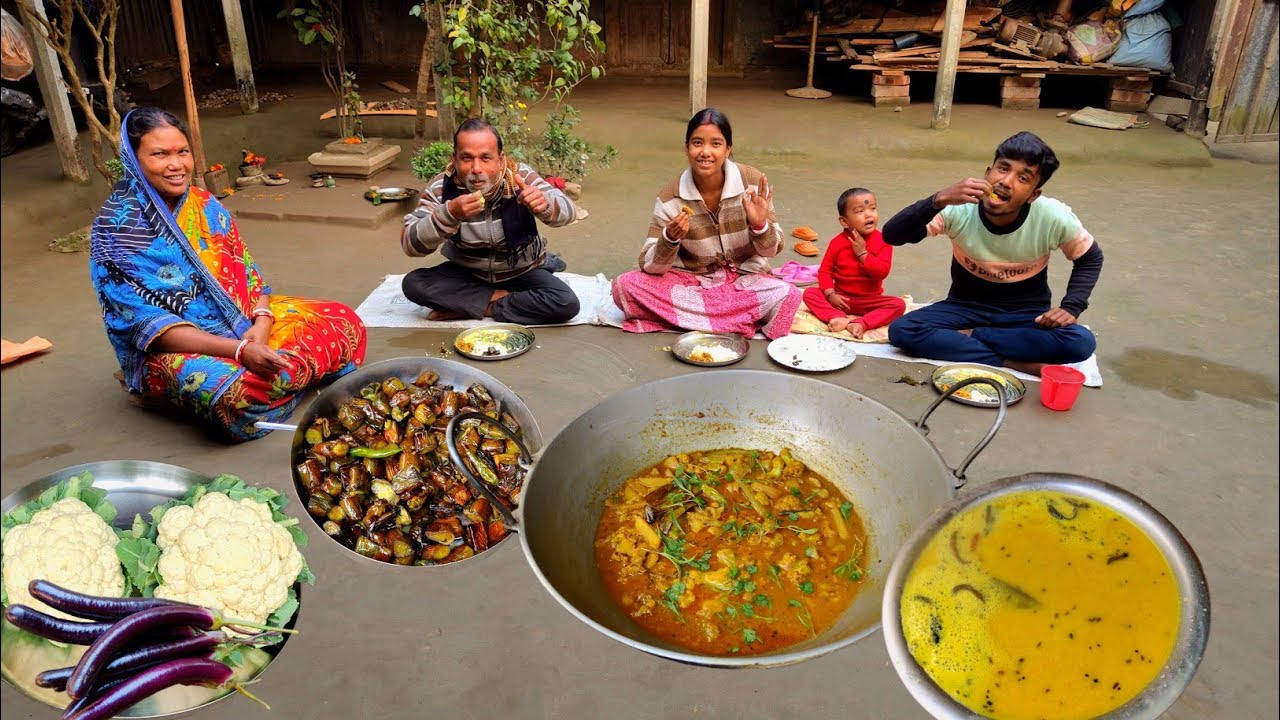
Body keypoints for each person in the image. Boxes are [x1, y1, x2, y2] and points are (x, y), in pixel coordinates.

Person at [90, 107, 367, 441]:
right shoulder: (118, 228)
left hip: (243, 323)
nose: (176, 165)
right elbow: (147, 325)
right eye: (160, 154)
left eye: (183, 152)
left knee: (343, 319)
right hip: (180, 347)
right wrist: (238, 351)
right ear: (133, 159)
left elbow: (248, 274)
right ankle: (287, 380)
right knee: (236, 393)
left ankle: (282, 382)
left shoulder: (204, 203)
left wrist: (261, 325)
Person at [883, 131, 1102, 376]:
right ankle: (1012, 362)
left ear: (1033, 195)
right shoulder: (959, 208)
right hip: (964, 308)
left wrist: (1071, 307)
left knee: (1080, 342)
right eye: (1003, 168)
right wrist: (938, 199)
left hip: (1025, 316)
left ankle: (970, 338)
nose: (1006, 181)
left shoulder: (1052, 216)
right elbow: (892, 235)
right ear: (988, 172)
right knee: (903, 330)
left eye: (1023, 178)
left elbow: (1090, 258)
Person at [611, 108, 801, 339]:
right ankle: (736, 321)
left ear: (728, 149)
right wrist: (670, 238)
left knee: (789, 294)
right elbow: (650, 266)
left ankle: (696, 319)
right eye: (697, 143)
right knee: (624, 286)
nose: (705, 152)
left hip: (745, 282)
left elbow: (770, 251)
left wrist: (759, 225)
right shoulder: (670, 197)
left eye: (716, 144)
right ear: (687, 148)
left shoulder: (751, 183)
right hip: (693, 282)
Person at [400, 118, 579, 325]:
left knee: (565, 302)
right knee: (414, 284)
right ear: (455, 159)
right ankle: (500, 299)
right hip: (469, 274)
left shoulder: (519, 177)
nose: (476, 168)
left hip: (522, 271)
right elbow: (410, 244)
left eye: (486, 158)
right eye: (466, 158)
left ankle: (477, 305)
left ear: (500, 160)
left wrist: (545, 204)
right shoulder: (441, 188)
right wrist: (448, 215)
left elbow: (570, 212)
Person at [802, 187, 905, 338]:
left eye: (873, 208)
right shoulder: (837, 243)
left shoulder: (883, 241)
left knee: (898, 305)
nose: (868, 214)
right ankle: (837, 317)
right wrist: (831, 295)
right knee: (810, 293)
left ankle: (861, 323)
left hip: (869, 301)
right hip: (841, 299)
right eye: (860, 211)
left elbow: (882, 272)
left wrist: (863, 254)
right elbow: (825, 272)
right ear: (844, 221)